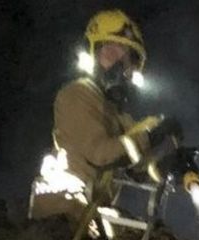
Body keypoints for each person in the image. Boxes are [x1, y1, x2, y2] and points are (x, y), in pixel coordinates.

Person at [30, 9, 177, 222]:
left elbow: (139, 167)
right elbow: (101, 154)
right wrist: (149, 137)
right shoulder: (77, 94)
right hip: (60, 211)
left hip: (91, 214)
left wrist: (168, 153)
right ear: (91, 53)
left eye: (128, 60)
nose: (120, 66)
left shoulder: (119, 117)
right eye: (111, 53)